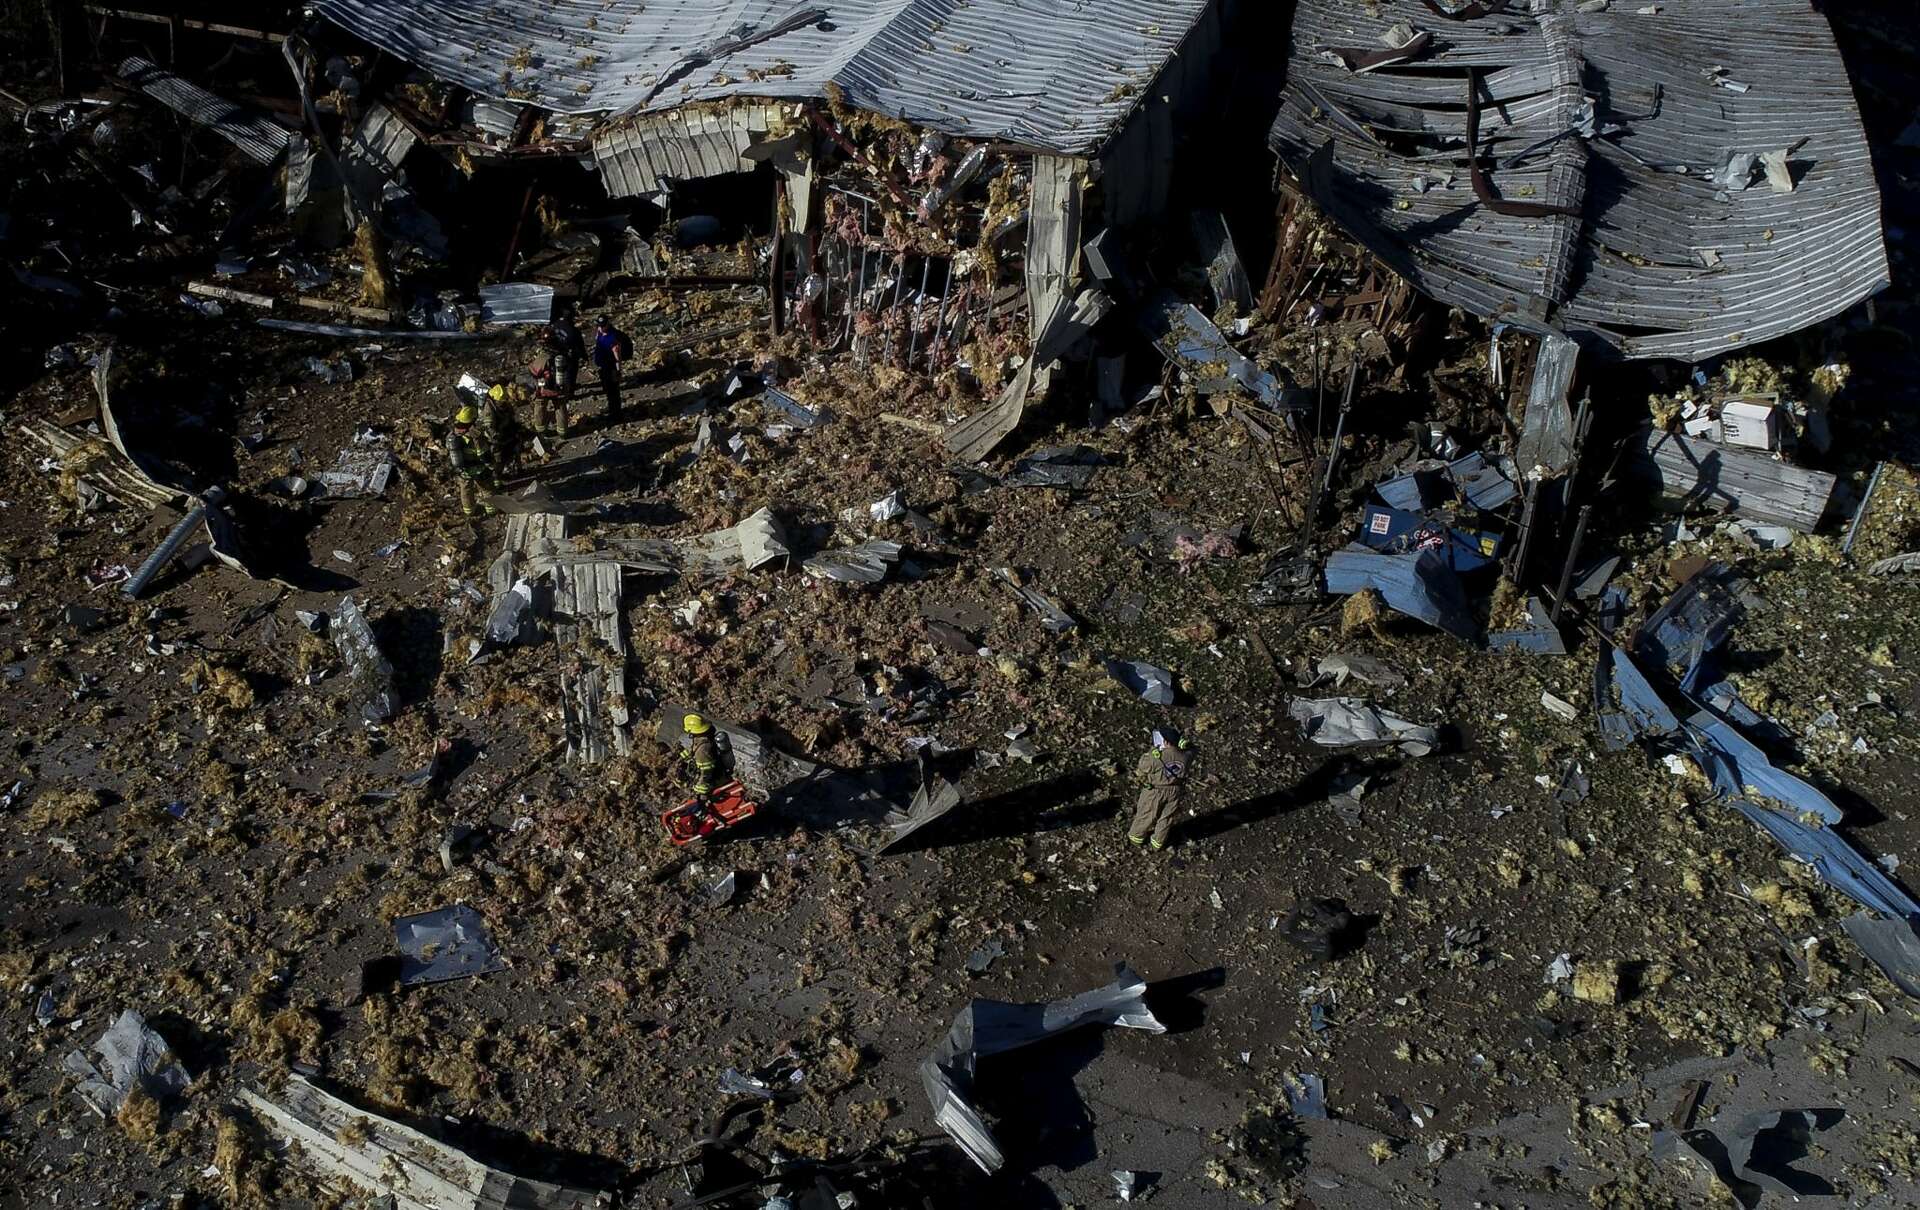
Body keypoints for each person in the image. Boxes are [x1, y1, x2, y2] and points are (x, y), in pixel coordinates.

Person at [1127, 729, 1190, 850]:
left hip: (1156, 790)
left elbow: (1143, 766)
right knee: (1167, 817)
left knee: (1147, 813)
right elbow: (1194, 750)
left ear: (1165, 742)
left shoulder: (1157, 757)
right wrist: (1185, 744)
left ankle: (1136, 837)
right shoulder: (1186, 756)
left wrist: (1152, 752)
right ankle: (1158, 842)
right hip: (1176, 790)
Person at [537, 313, 586, 437]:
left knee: (540, 405)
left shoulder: (543, 354)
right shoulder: (561, 352)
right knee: (560, 407)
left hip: (542, 386)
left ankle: (541, 430)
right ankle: (563, 432)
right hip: (558, 386)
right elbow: (567, 368)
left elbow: (534, 370)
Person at [445, 404, 498, 518]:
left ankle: (469, 511)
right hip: (477, 467)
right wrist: (491, 465)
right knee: (486, 487)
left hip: (463, 470)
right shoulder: (475, 435)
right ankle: (491, 510)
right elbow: (483, 454)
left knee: (466, 490)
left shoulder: (454, 434)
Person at [592, 316, 630, 421]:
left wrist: (618, 371)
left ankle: (616, 414)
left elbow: (617, 356)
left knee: (613, 392)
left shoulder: (613, 337)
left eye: (603, 326)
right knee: (608, 391)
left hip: (611, 368)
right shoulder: (600, 332)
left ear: (608, 324)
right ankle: (612, 409)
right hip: (603, 367)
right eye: (599, 326)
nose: (601, 328)